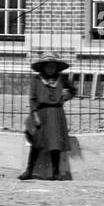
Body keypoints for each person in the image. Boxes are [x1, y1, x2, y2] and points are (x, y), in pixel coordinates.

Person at [19, 51, 76, 182]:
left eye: (53, 66)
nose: (50, 69)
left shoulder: (62, 79)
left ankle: (55, 172)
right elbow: (32, 99)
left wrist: (67, 95)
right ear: (42, 67)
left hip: (56, 114)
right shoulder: (37, 80)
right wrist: (35, 115)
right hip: (40, 113)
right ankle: (29, 170)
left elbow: (72, 90)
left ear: (56, 67)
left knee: (55, 143)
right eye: (47, 66)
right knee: (36, 142)